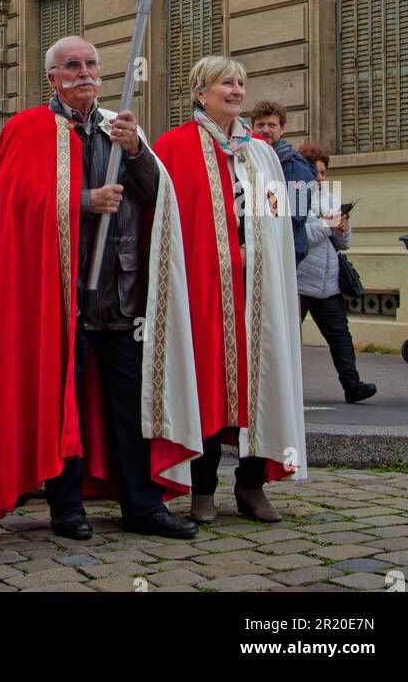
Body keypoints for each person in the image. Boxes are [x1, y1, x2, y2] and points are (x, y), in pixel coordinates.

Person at [0, 36, 202, 542]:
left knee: (129, 400)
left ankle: (142, 504)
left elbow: (156, 198)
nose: (84, 73)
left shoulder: (117, 128)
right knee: (64, 401)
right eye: (71, 66)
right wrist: (82, 200)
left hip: (121, 295)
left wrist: (137, 150)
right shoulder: (28, 129)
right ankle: (66, 505)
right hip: (58, 294)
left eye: (91, 64)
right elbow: (13, 204)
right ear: (51, 78)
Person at [154, 57, 306, 526]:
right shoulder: (174, 148)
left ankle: (251, 486)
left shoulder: (260, 153)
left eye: (241, 82)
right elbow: (163, 224)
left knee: (262, 381)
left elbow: (276, 223)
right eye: (227, 83)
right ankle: (202, 490)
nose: (237, 90)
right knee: (205, 383)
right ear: (201, 93)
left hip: (256, 291)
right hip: (202, 290)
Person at [297, 143, 376, 405]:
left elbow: (343, 245)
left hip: (328, 283)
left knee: (340, 335)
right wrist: (327, 225)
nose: (320, 179)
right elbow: (299, 239)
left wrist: (343, 228)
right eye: (315, 173)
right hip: (299, 281)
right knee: (286, 341)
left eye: (323, 173)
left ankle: (352, 385)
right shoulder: (295, 199)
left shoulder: (331, 199)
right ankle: (282, 391)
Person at [250, 102, 315, 266]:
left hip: (283, 255)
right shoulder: (251, 160)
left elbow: (294, 217)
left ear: (282, 128)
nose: (265, 130)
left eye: (272, 125)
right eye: (260, 125)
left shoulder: (295, 166)